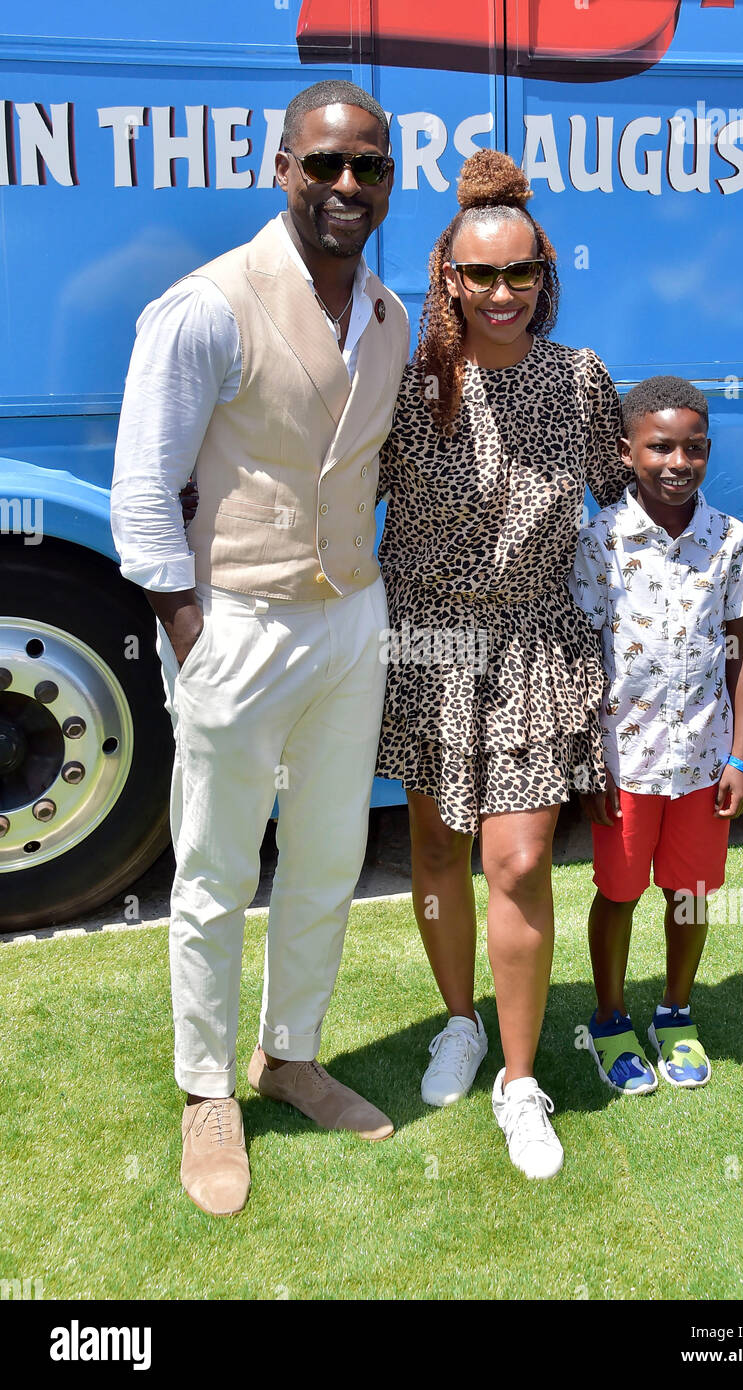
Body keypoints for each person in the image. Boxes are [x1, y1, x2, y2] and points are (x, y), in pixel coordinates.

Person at [110, 81, 409, 1216]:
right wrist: (190, 632)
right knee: (217, 870)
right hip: (235, 618)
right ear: (281, 167)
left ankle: (287, 1056)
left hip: (349, 617)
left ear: (387, 180)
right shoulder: (207, 305)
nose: (345, 186)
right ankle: (205, 1091)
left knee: (330, 854)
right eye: (323, 164)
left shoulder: (383, 314)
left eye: (367, 168)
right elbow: (143, 487)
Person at [375, 150, 631, 1179]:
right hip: (430, 642)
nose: (499, 294)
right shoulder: (406, 388)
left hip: (533, 640)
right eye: (478, 276)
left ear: (544, 275)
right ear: (446, 278)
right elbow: (345, 515)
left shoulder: (579, 380)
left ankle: (519, 1079)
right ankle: (457, 1021)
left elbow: (626, 514)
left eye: (518, 273)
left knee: (518, 858)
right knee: (436, 851)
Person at [572, 375, 743, 1094]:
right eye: (660, 447)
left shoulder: (730, 542)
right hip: (625, 765)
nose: (677, 463)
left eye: (694, 448)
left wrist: (741, 756)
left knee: (689, 893)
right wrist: (586, 761)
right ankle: (611, 1018)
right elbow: (579, 656)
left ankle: (675, 1013)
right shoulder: (601, 541)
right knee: (618, 892)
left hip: (703, 765)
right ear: (627, 452)